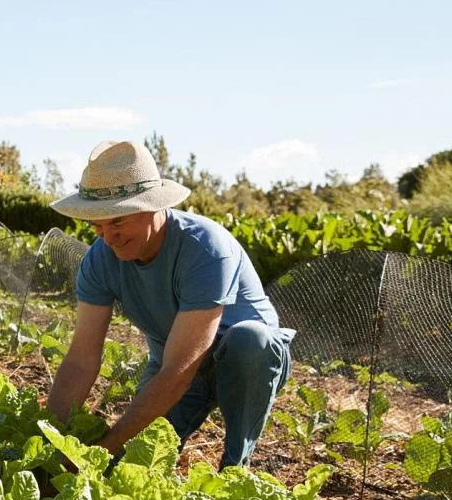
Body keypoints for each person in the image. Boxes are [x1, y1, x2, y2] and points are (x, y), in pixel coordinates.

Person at [45, 140, 295, 469]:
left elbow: (179, 372)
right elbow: (80, 360)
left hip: (240, 361)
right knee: (127, 465)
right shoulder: (99, 260)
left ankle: (235, 471)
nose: (108, 237)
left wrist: (101, 450)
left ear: (153, 205)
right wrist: (47, 441)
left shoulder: (204, 248)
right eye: (98, 225)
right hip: (170, 363)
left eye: (118, 222)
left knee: (251, 339)